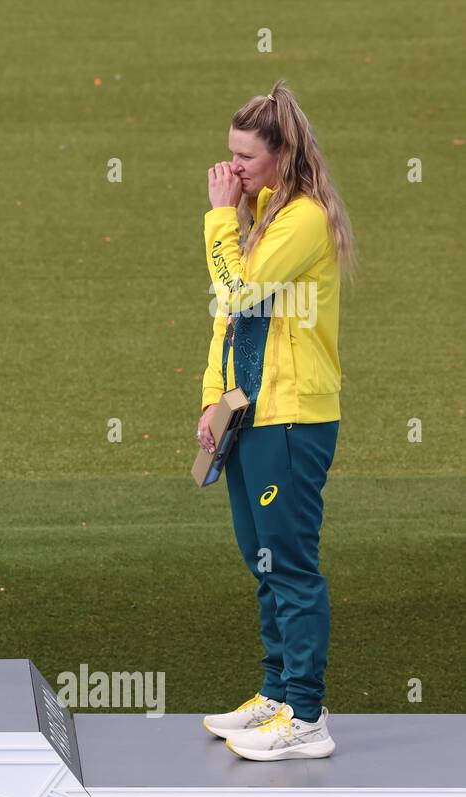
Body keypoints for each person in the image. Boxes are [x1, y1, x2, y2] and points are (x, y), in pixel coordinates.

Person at [196, 82, 355, 760]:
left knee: (289, 565)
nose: (233, 170)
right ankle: (277, 692)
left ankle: (308, 716)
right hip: (249, 416)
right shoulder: (262, 213)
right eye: (229, 157)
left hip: (292, 420)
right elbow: (228, 320)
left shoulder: (302, 222)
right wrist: (212, 394)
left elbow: (236, 289)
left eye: (245, 158)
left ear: (282, 153)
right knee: (261, 560)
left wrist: (217, 218)